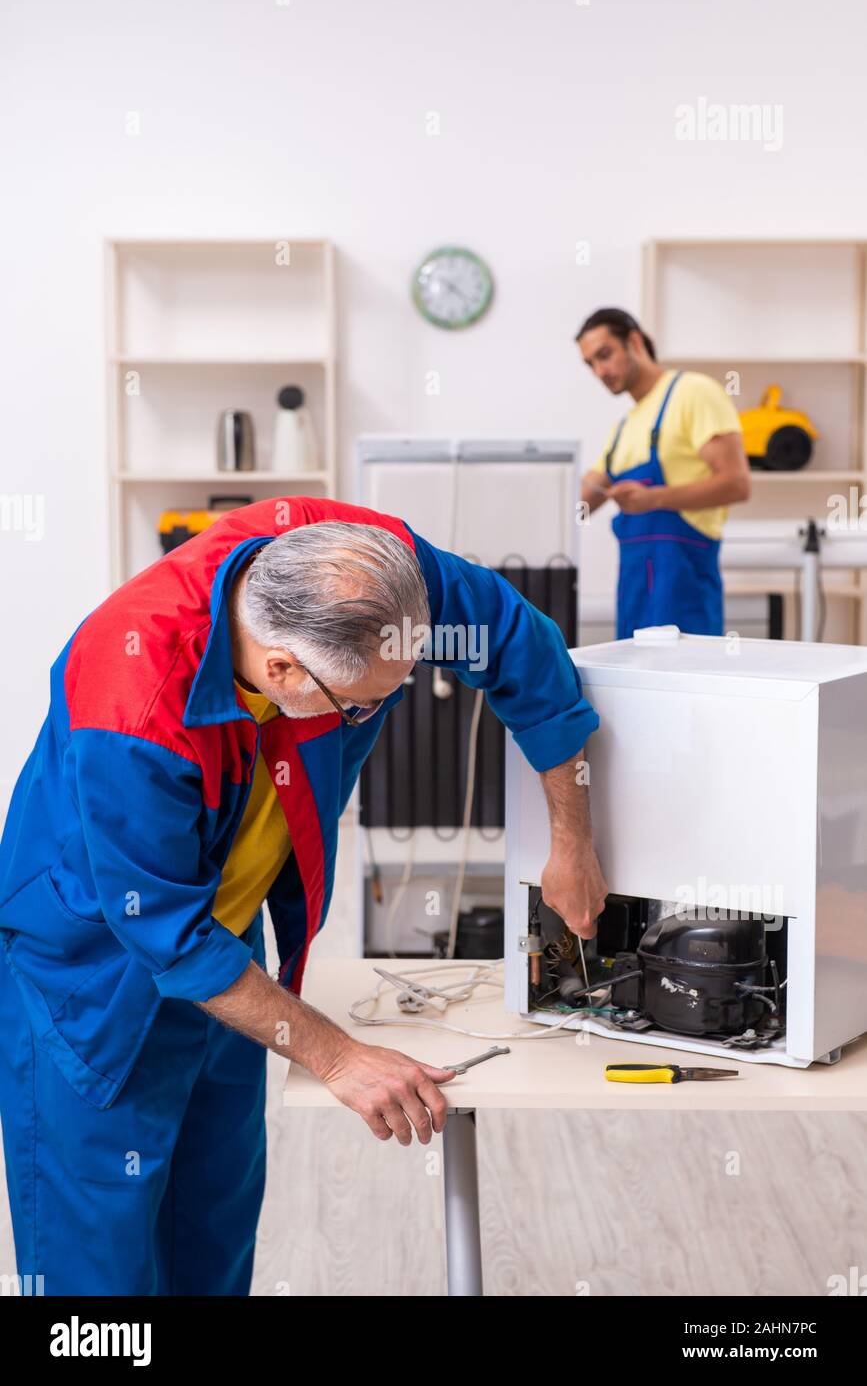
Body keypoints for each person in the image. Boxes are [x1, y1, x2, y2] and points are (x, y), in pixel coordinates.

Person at [0, 495, 607, 1295]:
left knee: (212, 1228)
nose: (373, 715)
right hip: (93, 970)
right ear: (281, 669)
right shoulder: (130, 702)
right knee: (102, 1269)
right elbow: (169, 935)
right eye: (359, 703)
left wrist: (572, 841)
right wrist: (339, 1056)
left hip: (229, 945)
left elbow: (523, 650)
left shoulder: (373, 573)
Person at [577, 307, 750, 638]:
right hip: (634, 595)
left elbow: (737, 483)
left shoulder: (692, 392)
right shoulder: (623, 428)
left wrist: (654, 498)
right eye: (590, 364)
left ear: (635, 342)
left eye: (605, 354)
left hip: (683, 591)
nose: (600, 370)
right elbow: (581, 502)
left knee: (687, 686)